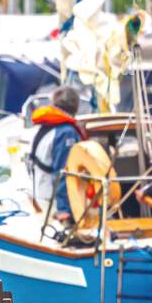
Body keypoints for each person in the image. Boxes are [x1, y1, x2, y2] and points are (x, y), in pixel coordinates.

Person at [27, 85, 86, 223]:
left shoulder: (43, 127)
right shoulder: (66, 133)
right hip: (53, 203)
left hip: (39, 195)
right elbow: (63, 171)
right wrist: (63, 209)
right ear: (76, 106)